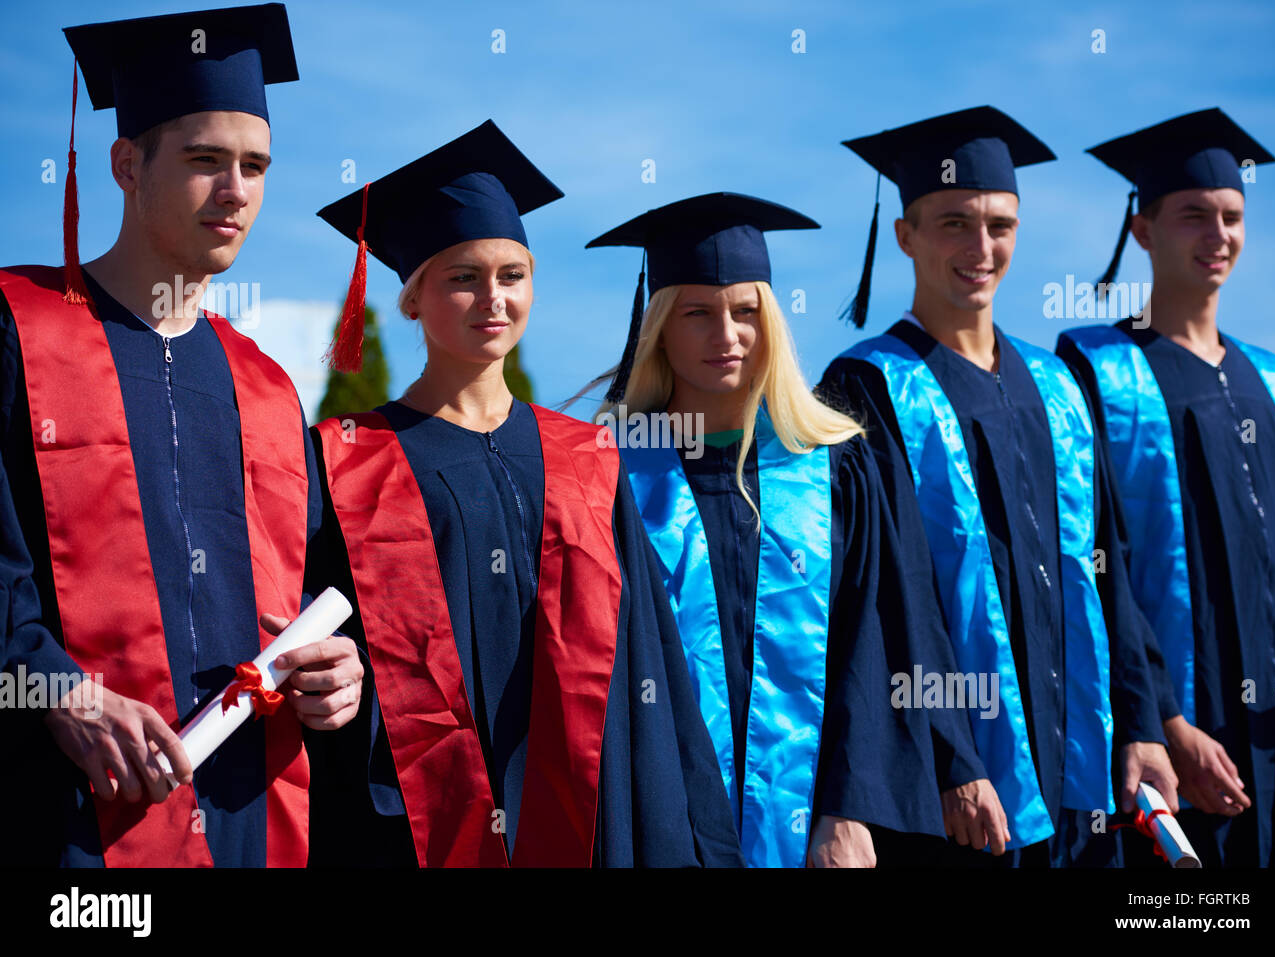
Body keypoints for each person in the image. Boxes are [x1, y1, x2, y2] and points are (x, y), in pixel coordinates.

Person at [307, 120, 742, 867]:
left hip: (595, 815)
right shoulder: (351, 462)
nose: (493, 298)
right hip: (423, 826)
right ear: (412, 300)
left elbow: (658, 667)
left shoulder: (586, 456)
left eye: (513, 275)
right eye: (463, 277)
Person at [0, 4, 364, 867]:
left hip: (255, 824)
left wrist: (342, 678)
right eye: (206, 161)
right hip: (68, 825)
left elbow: (320, 602)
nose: (236, 191)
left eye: (255, 166)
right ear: (126, 164)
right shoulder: (18, 331)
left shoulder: (270, 391)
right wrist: (52, 689)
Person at [580, 191, 1004, 867]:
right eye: (698, 314)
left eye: (746, 312)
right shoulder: (610, 475)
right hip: (654, 822)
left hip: (817, 834)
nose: (727, 336)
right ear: (658, 326)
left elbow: (882, 635)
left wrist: (849, 805)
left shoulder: (838, 466)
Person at [818, 106, 1179, 867]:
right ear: (905, 235)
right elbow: (887, 599)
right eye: (953, 223)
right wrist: (953, 757)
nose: (980, 247)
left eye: (999, 224)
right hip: (960, 797)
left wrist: (1140, 721)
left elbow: (1106, 565)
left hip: (1080, 782)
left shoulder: (1054, 385)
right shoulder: (866, 387)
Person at [1057, 108, 1275, 867]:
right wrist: (1161, 715)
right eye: (1194, 215)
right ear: (1142, 229)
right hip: (1178, 732)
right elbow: (1095, 560)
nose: (1217, 235)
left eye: (1231, 216)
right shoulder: (1097, 371)